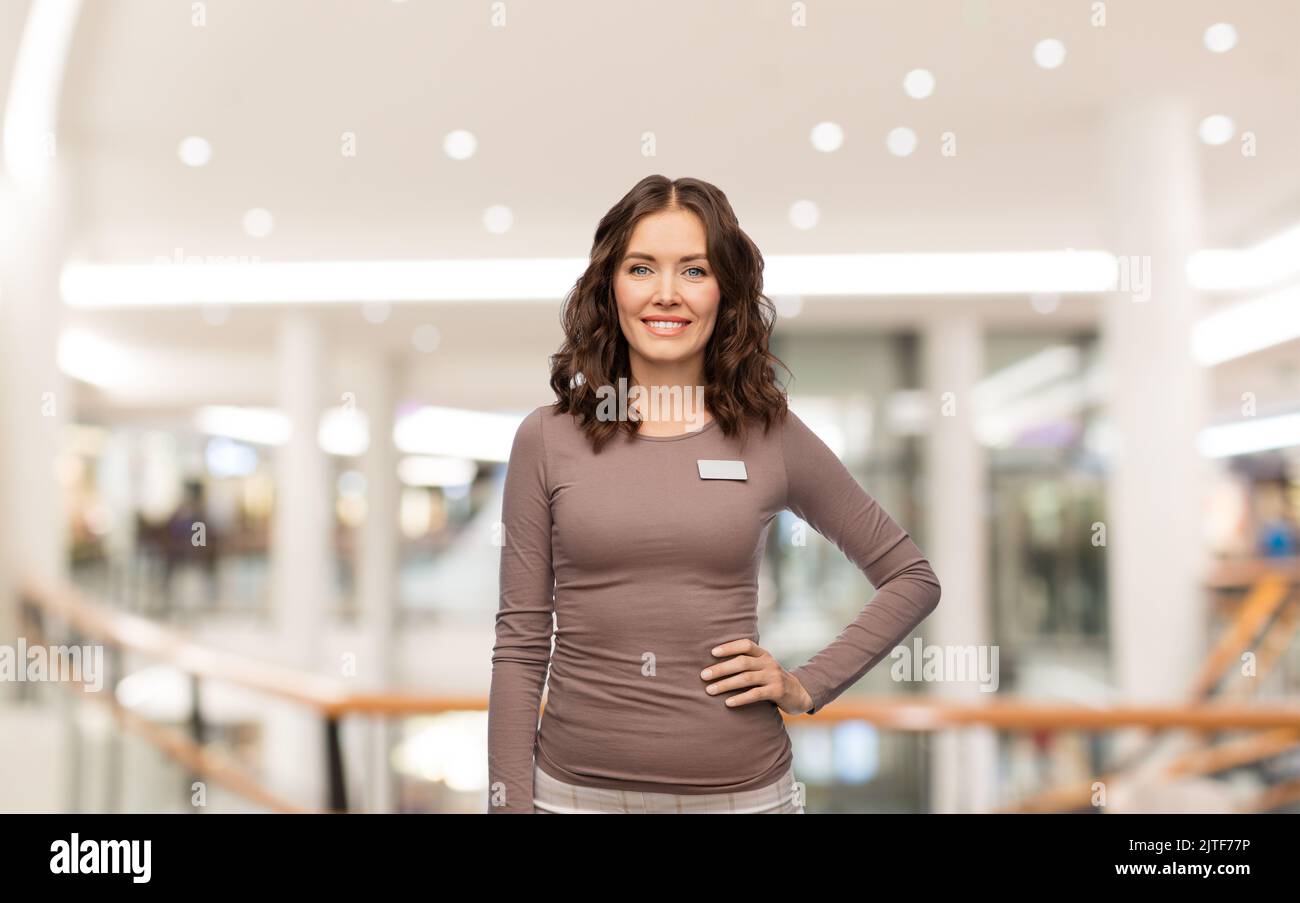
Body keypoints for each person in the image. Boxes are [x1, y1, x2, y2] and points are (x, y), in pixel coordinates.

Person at [487, 175, 941, 814]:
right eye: (642, 268)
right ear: (609, 286)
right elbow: (520, 641)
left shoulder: (770, 435)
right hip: (571, 797)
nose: (666, 294)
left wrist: (806, 683)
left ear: (724, 291)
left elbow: (912, 578)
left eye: (693, 270)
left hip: (742, 798)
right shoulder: (546, 438)